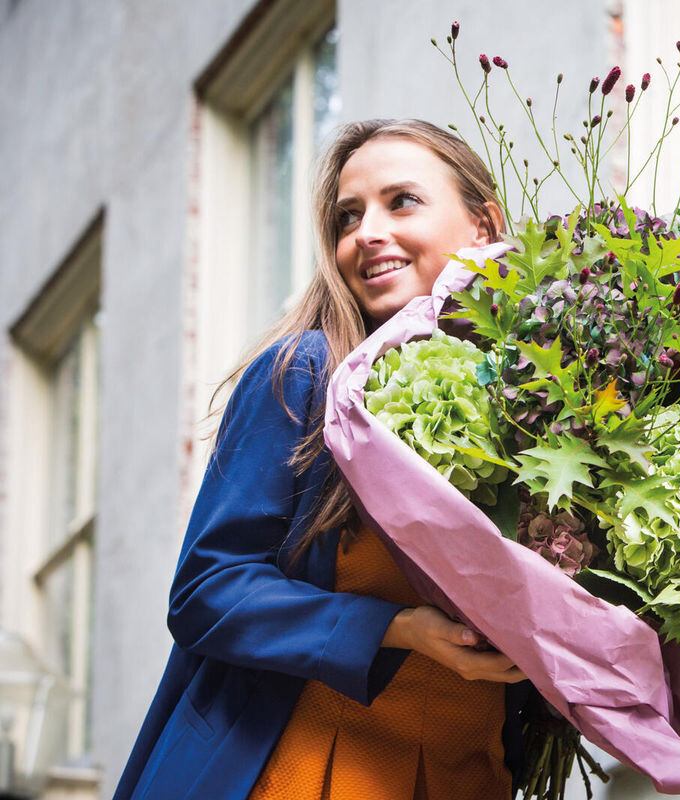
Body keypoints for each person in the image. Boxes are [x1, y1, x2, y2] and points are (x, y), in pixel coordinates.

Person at [115, 119, 534, 800]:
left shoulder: (543, 402)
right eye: (348, 217)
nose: (366, 233)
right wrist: (398, 629)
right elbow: (206, 590)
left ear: (483, 225)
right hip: (304, 768)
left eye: (401, 202)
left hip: (470, 773)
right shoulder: (308, 374)